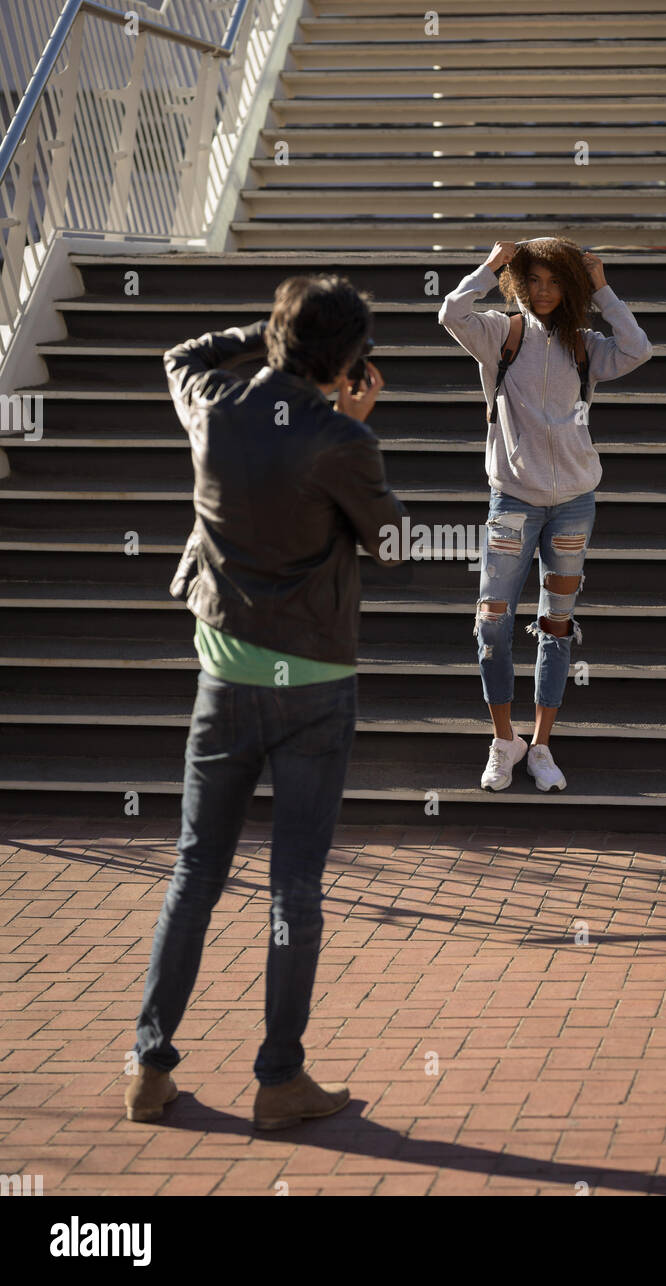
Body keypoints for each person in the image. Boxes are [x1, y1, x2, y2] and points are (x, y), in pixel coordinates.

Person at [125, 274, 407, 1130]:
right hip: (314, 688)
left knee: (194, 873)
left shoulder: (212, 409)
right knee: (295, 888)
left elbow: (182, 354)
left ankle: (149, 1065)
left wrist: (274, 335)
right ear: (349, 363)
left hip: (224, 683)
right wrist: (350, 421)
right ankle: (280, 1079)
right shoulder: (338, 440)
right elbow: (391, 542)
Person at [438, 237, 652, 792]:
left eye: (556, 282)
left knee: (556, 626)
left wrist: (602, 287)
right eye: (533, 280)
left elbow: (638, 348)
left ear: (571, 287)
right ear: (519, 282)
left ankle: (541, 746)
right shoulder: (500, 333)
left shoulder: (585, 346)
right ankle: (503, 740)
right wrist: (489, 264)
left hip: (574, 506)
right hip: (512, 501)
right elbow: (450, 312)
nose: (544, 292)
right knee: (492, 623)